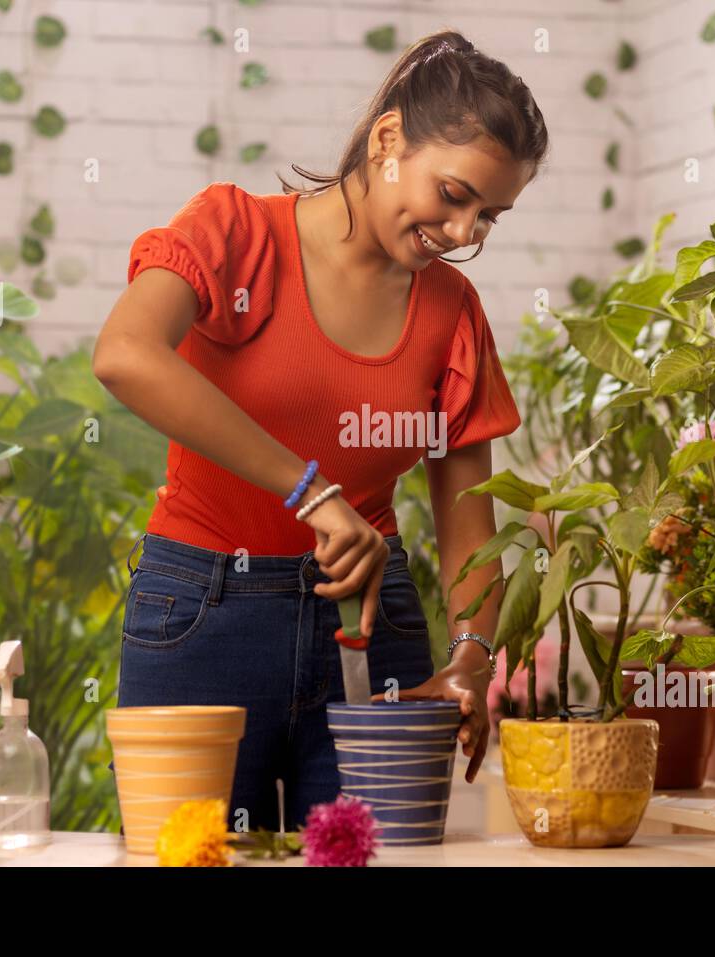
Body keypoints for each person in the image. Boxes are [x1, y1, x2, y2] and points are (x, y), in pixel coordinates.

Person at [93, 29, 548, 831]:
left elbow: (468, 530)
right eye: (454, 194)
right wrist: (313, 492)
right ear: (388, 141)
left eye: (490, 216)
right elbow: (125, 354)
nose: (465, 232)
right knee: (190, 856)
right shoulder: (236, 233)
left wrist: (473, 659)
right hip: (203, 616)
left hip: (374, 636)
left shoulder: (452, 314)